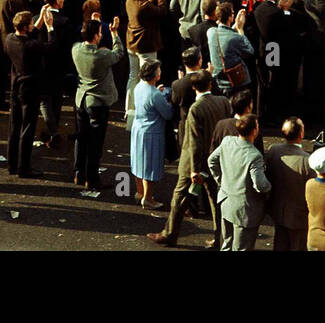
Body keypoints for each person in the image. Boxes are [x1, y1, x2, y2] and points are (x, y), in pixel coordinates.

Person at [149, 68, 231, 248]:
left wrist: (194, 169)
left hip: (195, 163)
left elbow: (194, 140)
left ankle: (169, 234)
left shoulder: (196, 108)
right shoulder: (224, 102)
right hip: (216, 158)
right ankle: (221, 238)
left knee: (179, 197)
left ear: (194, 87)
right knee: (216, 200)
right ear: (210, 84)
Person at [72, 16, 124, 190]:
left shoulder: (76, 49)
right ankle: (92, 177)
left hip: (81, 98)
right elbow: (118, 53)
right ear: (95, 36)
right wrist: (115, 33)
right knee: (96, 141)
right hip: (98, 101)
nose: (101, 35)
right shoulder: (102, 55)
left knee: (82, 137)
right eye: (100, 33)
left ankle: (79, 172)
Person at [207, 112, 270, 251]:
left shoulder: (227, 141)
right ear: (254, 131)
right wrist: (269, 187)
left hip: (226, 201)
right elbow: (260, 185)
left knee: (226, 244)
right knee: (242, 247)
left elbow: (211, 161)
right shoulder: (255, 156)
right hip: (245, 210)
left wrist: (221, 181)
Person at [129, 59, 174, 208]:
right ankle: (148, 198)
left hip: (138, 129)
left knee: (138, 163)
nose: (160, 72)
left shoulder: (139, 87)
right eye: (159, 71)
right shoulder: (155, 94)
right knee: (150, 166)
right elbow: (168, 114)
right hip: (152, 133)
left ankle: (140, 192)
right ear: (154, 75)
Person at [264, 116, 314, 251]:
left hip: (278, 211)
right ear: (301, 134)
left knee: (280, 244)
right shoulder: (307, 160)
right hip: (299, 216)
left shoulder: (273, 150)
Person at [5, 9, 44, 177]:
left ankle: (12, 164)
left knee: (14, 127)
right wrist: (49, 28)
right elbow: (49, 46)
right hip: (30, 88)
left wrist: (40, 18)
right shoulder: (32, 46)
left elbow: (29, 35)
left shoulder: (9, 39)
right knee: (28, 128)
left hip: (15, 86)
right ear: (26, 27)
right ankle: (24, 167)